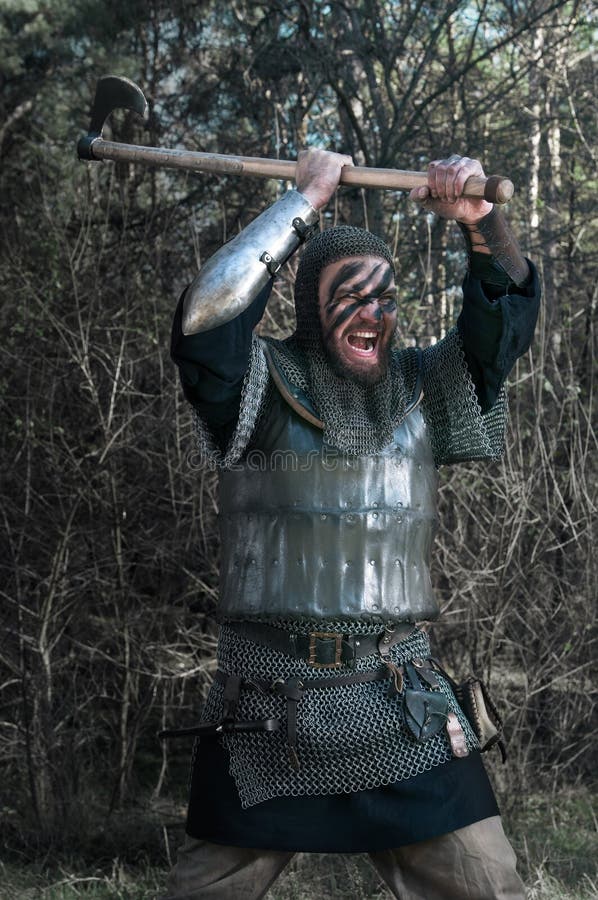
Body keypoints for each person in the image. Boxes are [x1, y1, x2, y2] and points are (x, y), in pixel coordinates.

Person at [165, 149, 540, 899]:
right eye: (352, 297)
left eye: (386, 298)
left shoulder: (424, 388)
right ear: (311, 308)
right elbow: (206, 318)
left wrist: (481, 224)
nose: (375, 313)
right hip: (268, 708)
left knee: (487, 886)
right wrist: (303, 202)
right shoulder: (257, 386)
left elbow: (501, 329)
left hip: (403, 703)